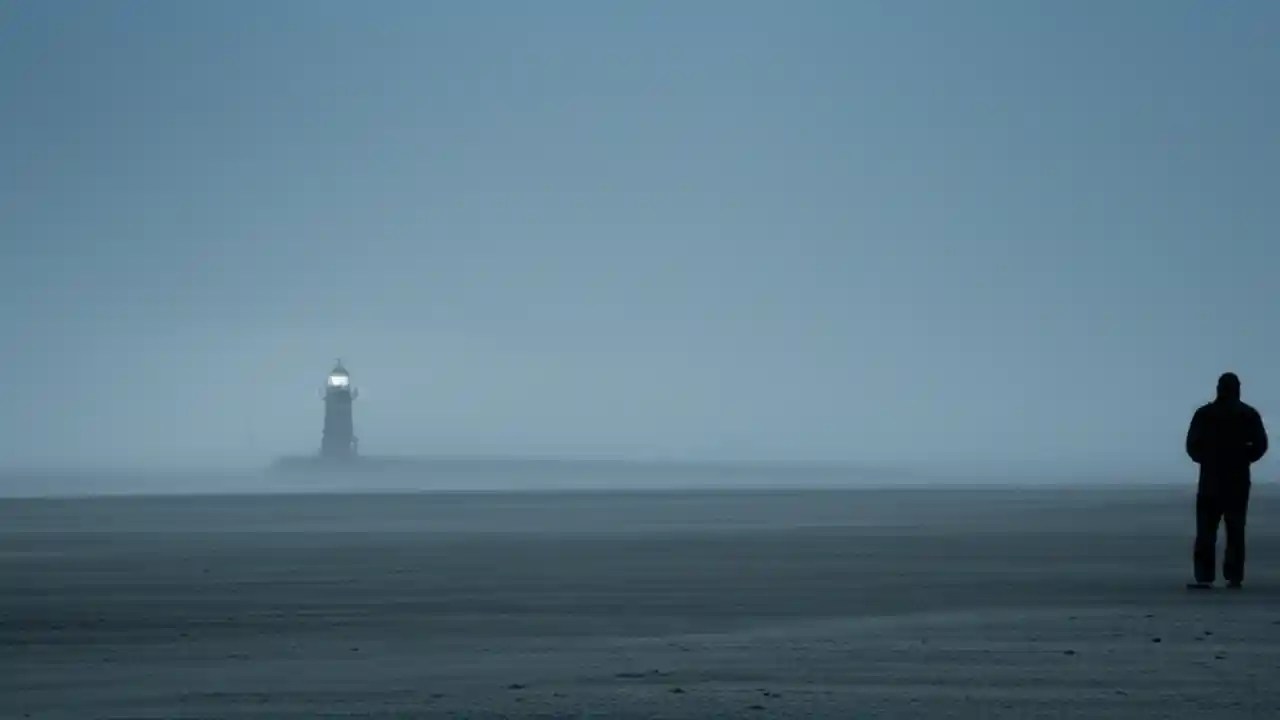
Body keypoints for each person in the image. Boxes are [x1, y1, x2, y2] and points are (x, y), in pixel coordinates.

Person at [1184, 372, 1268, 589]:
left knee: (1206, 531)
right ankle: (1234, 575)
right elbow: (1260, 445)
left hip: (1210, 481)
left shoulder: (1205, 414)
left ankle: (1204, 576)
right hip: (1237, 481)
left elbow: (1192, 446)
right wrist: (1244, 458)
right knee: (1235, 530)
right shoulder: (1247, 414)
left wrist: (1207, 459)